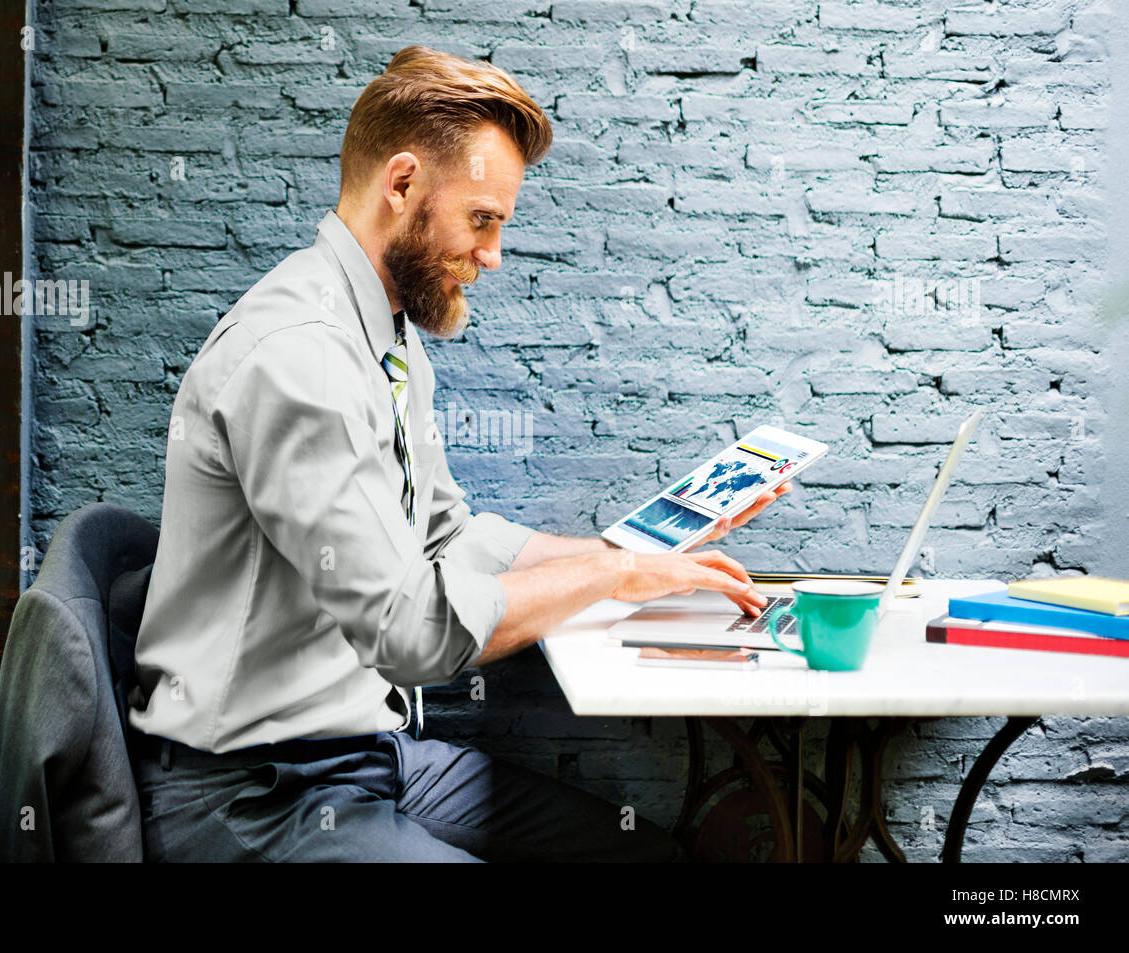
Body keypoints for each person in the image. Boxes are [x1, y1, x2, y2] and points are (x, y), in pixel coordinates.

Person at [128, 44, 790, 862]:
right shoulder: (302, 356)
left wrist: (637, 551)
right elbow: (408, 629)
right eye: (482, 219)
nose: (493, 254)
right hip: (252, 794)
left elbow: (447, 537)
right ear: (401, 185)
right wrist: (610, 579)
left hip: (365, 757)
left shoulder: (386, 335)